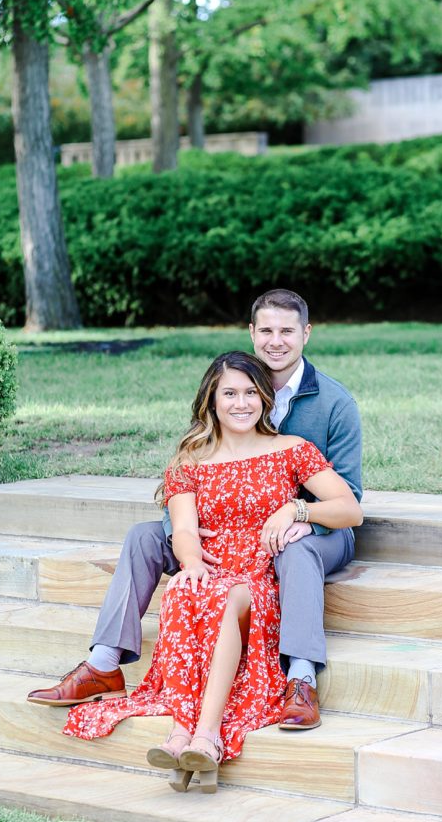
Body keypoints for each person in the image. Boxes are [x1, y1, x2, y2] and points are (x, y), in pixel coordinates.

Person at [28, 289, 363, 730]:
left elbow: (349, 499)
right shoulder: (227, 390)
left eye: (286, 330)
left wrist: (299, 515)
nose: (276, 340)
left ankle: (300, 679)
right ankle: (103, 663)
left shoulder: (333, 404)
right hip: (223, 534)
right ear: (251, 333)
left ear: (306, 333)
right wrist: (186, 539)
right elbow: (188, 483)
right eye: (266, 330)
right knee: (143, 537)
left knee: (293, 549)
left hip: (315, 530)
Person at [61, 351, 362, 792]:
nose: (241, 403)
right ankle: (192, 738)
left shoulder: (291, 451)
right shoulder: (190, 461)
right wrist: (195, 564)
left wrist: (295, 507)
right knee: (188, 590)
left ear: (264, 398)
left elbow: (349, 509)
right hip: (214, 568)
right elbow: (182, 528)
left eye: (250, 393)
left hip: (258, 578)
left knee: (231, 596)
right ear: (212, 401)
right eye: (230, 394)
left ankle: (199, 733)